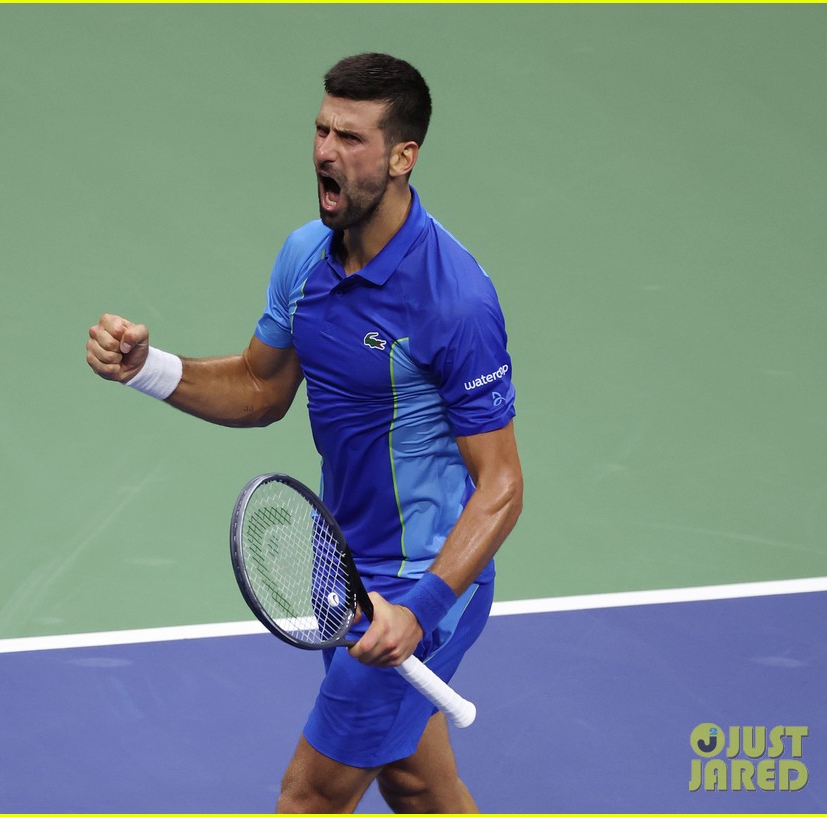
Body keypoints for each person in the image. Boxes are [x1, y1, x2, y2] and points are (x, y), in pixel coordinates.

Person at [86, 52, 523, 813]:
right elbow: (261, 387)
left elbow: (502, 485)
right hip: (344, 573)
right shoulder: (304, 258)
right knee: (416, 781)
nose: (326, 151)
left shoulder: (453, 300)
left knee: (310, 795)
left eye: (351, 138)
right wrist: (145, 368)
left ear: (402, 157)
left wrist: (419, 609)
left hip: (422, 583)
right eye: (322, 130)